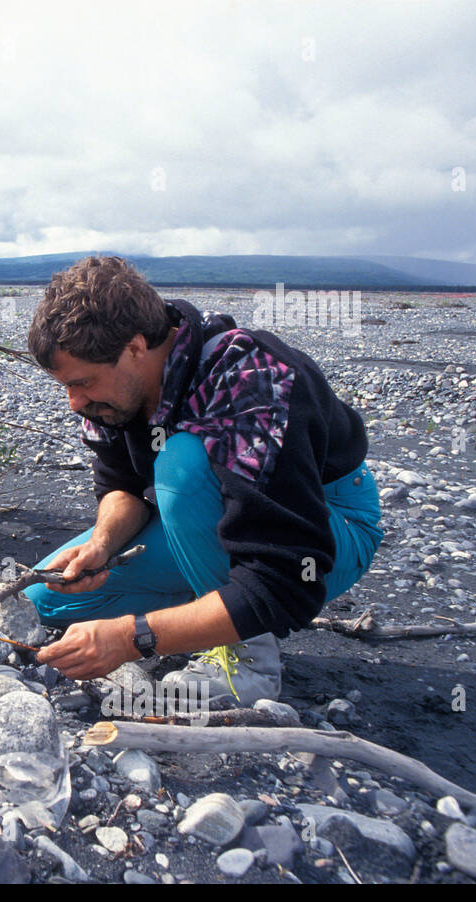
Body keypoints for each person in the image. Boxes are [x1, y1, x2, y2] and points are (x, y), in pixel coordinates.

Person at [22, 256, 383, 706]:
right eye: (65, 387)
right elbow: (122, 484)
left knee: (180, 465)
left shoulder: (250, 379)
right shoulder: (112, 393)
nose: (74, 402)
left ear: (134, 347)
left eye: (83, 383)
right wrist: (102, 543)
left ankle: (247, 659)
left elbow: (286, 577)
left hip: (327, 526)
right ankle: (212, 603)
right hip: (203, 520)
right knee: (46, 600)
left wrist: (133, 639)